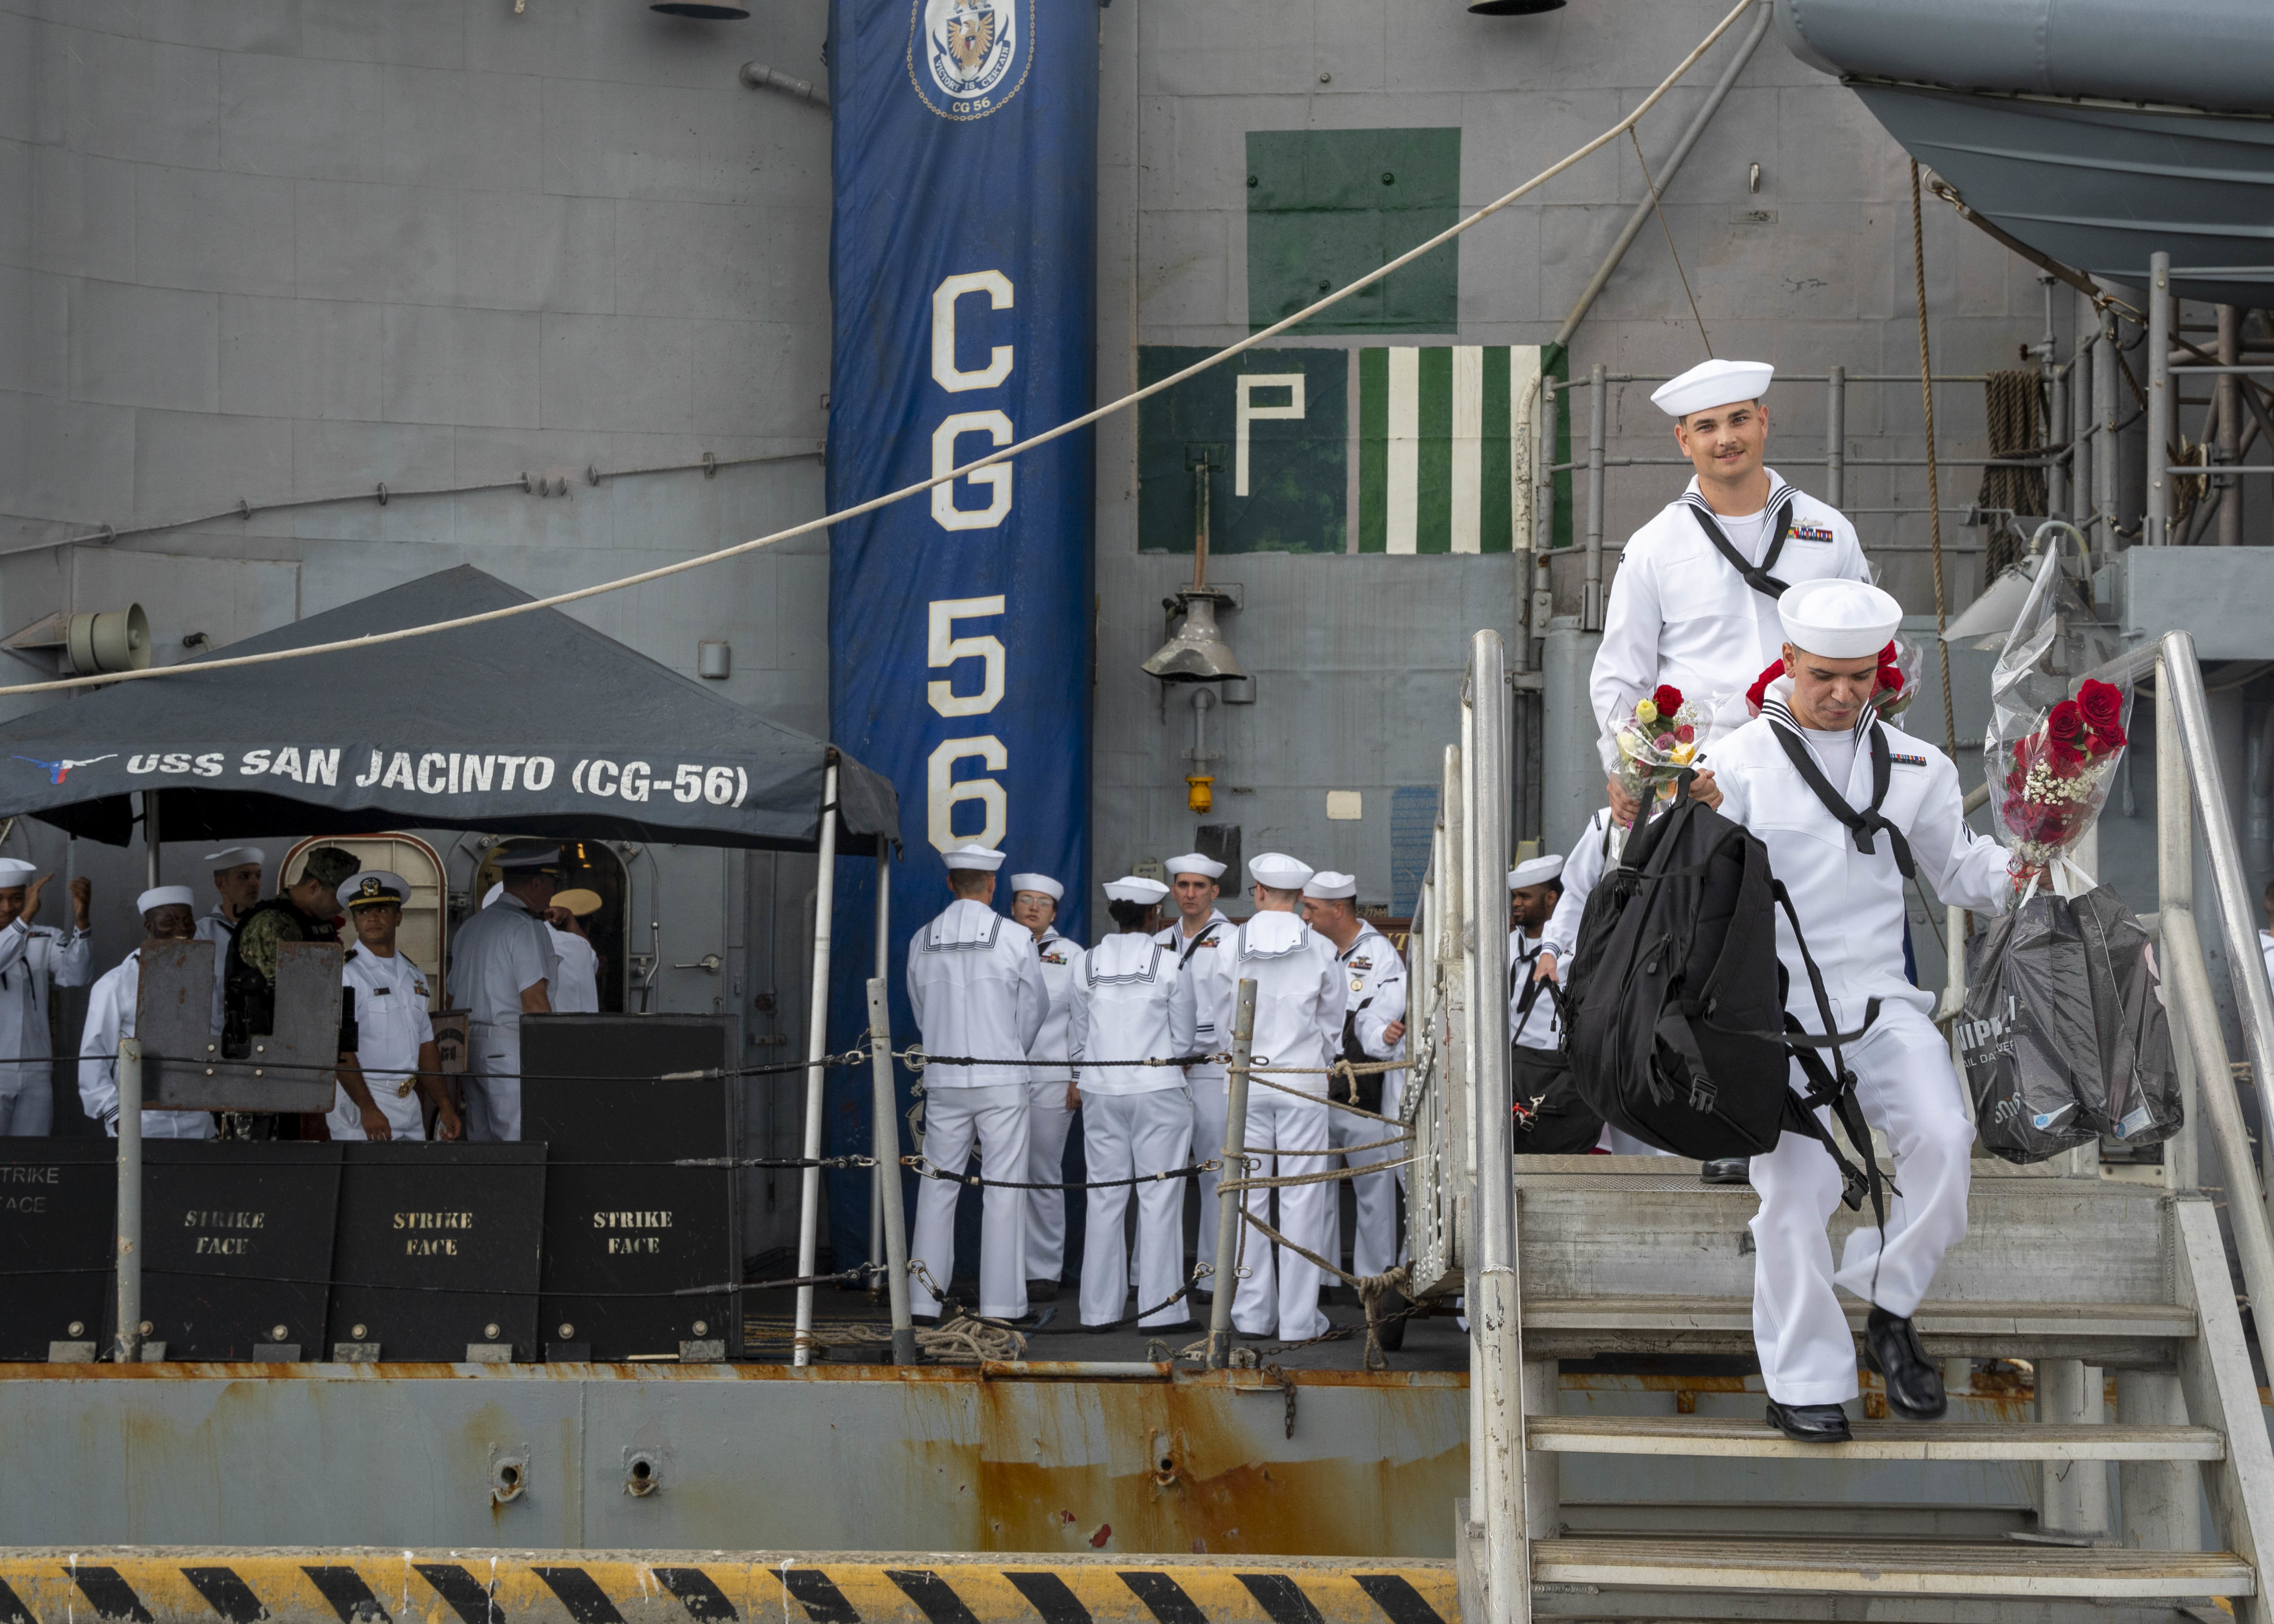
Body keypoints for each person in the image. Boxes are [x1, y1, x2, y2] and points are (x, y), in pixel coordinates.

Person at [1711, 578, 2011, 1443]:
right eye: (1823, 676)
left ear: (1880, 670)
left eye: (1859, 676)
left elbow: (1957, 869)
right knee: (1793, 1190)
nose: (1842, 693)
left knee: (1945, 1139)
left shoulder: (1918, 766)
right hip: (1777, 1016)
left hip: (1885, 1003)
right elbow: (1689, 887)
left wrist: (2030, 860)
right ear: (1790, 664)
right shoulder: (1734, 765)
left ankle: (1888, 1300)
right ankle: (1802, 1377)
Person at [1203, 852, 1346, 1343]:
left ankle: (1253, 1314)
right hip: (1302, 1080)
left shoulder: (1230, 944)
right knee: (1304, 1197)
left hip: (1246, 1080)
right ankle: (1300, 1322)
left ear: (1260, 892)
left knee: (1249, 1197)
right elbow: (1333, 1018)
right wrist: (1318, 1056)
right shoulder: (1321, 947)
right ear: (1298, 898)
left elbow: (1220, 1009)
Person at [905, 843, 1050, 1325]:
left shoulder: (922, 938)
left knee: (937, 1186)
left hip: (945, 1077)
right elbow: (1035, 1008)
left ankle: (923, 1301)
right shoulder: (1014, 937)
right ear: (991, 885)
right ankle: (1003, 1305)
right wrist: (1012, 1048)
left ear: (951, 883)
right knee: (1005, 1189)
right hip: (1001, 1075)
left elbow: (919, 1010)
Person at [1067, 876, 1198, 1331]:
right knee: (1159, 1197)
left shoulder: (1085, 963)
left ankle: (1098, 1311)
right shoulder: (1171, 963)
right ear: (1154, 916)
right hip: (1157, 1089)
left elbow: (1078, 1037)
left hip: (1101, 1091)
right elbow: (1184, 1038)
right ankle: (1161, 1311)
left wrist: (1086, 1077)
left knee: (1104, 1198)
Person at [1299, 871, 1408, 1293]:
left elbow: (1385, 1013)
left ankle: (1372, 1280)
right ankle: (1323, 1278)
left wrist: (1377, 1034)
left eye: (1311, 908)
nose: (1304, 915)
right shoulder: (1309, 949)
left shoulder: (1380, 953)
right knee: (1315, 1186)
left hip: (1362, 1084)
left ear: (1338, 910)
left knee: (1373, 1187)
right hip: (1312, 1083)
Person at [332, 871, 462, 1143]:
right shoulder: (346, 975)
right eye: (363, 911)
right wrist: (368, 1109)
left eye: (382, 909)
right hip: (364, 1102)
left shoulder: (414, 975)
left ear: (398, 917)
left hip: (409, 1104)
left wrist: (445, 1104)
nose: (373, 917)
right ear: (355, 921)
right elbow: (339, 1050)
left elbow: (426, 1044)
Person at [445, 841, 560, 1142]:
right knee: (518, 1140)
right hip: (508, 1047)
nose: (553, 893)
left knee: (480, 1139)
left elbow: (450, 999)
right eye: (552, 883)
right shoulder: (523, 927)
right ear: (537, 883)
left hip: (470, 1046)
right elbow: (534, 1002)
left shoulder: (471, 927)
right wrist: (550, 1059)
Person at [1154, 851, 1233, 1289]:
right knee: (1158, 1174)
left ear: (1214, 891)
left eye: (1199, 886)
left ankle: (1212, 1277)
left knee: (1214, 1174)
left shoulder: (1231, 938)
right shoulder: (1157, 942)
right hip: (1165, 1070)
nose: (1189, 893)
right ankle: (1152, 1278)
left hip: (1209, 1068)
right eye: (1182, 885)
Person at [79, 886, 211, 1140]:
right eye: (169, 922)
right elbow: (93, 1054)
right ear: (149, 926)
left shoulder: (202, 977)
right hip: (140, 1119)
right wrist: (115, 1112)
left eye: (187, 920)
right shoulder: (115, 984)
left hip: (196, 1118)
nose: (182, 928)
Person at [1007, 871, 1080, 1305]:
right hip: (1001, 1073)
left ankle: (1043, 1270)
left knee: (1042, 1172)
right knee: (1003, 1173)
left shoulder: (1070, 955)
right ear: (1012, 906)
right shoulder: (997, 945)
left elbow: (1084, 1018)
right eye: (1026, 900)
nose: (1034, 907)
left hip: (1052, 1075)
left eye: (1043, 902)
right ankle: (1006, 1267)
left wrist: (1079, 1075)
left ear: (1054, 912)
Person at [224, 845, 356, 1059]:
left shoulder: (314, 922)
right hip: (269, 1056)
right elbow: (292, 1002)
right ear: (314, 886)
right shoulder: (275, 925)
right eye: (338, 898)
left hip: (299, 1048)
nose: (343, 907)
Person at [0, 860, 91, 1136]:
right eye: (0, 900)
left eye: (16, 899)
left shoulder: (45, 937)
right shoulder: (25, 924)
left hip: (36, 1067)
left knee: (32, 1159)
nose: (8, 908)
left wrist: (83, 921)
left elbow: (77, 976)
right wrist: (24, 918)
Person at [194, 847, 263, 1034]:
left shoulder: (269, 929)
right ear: (221, 884)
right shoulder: (201, 935)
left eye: (258, 876)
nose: (254, 883)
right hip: (217, 1042)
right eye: (244, 877)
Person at [544, 888, 603, 1015]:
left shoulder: (537, 939)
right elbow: (590, 957)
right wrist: (570, 919)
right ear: (588, 925)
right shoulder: (580, 948)